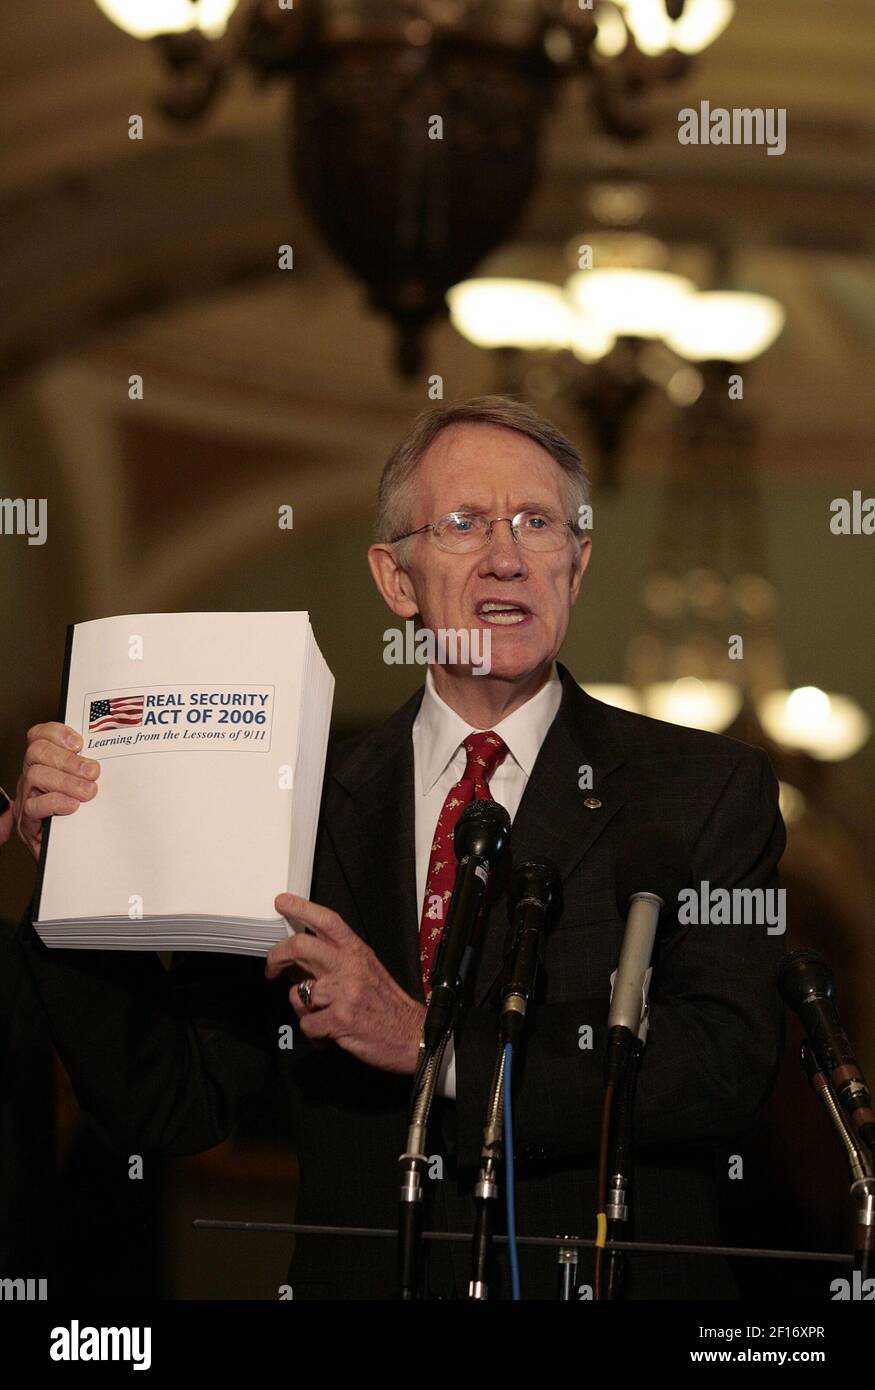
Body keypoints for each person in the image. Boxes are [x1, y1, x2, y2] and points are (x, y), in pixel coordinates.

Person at [13, 395, 785, 1299]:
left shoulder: (700, 788)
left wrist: (433, 1047)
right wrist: (75, 862)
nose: (507, 556)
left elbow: (723, 1067)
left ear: (576, 566)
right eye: (464, 524)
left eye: (538, 523)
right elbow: (173, 1101)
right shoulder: (302, 800)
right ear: (396, 581)